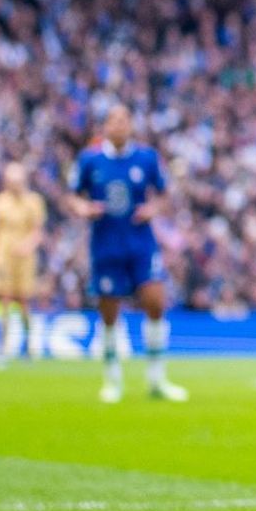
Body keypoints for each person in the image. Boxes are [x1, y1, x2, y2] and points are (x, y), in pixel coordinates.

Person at [68, 103, 186, 405]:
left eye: (124, 119)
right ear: (105, 126)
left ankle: (157, 379)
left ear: (131, 124)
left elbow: (164, 193)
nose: (119, 125)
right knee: (109, 313)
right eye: (114, 120)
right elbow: (72, 196)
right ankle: (112, 381)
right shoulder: (90, 160)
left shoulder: (146, 158)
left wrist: (154, 209)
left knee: (155, 302)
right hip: (106, 245)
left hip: (140, 243)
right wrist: (83, 208)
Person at [0, 161, 49, 368]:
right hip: (2, 256)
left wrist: (27, 246)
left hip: (25, 259)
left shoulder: (34, 202)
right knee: (4, 302)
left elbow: (38, 231)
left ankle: (28, 346)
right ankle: (3, 349)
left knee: (24, 302)